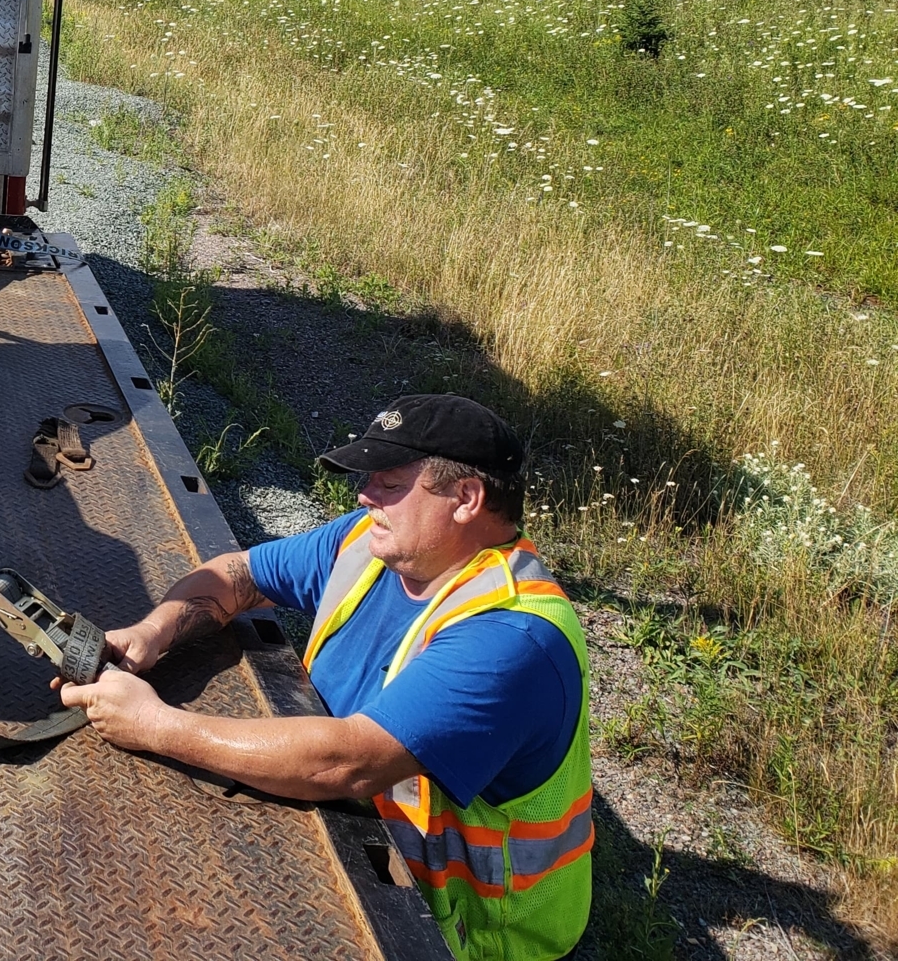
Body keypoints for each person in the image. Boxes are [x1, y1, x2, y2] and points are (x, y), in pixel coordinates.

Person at [60, 394, 591, 961]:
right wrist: (154, 630)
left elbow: (346, 763)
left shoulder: (512, 637)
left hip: (466, 931)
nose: (365, 496)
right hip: (367, 839)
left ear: (466, 499)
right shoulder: (369, 543)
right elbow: (235, 575)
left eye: (389, 482)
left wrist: (153, 724)